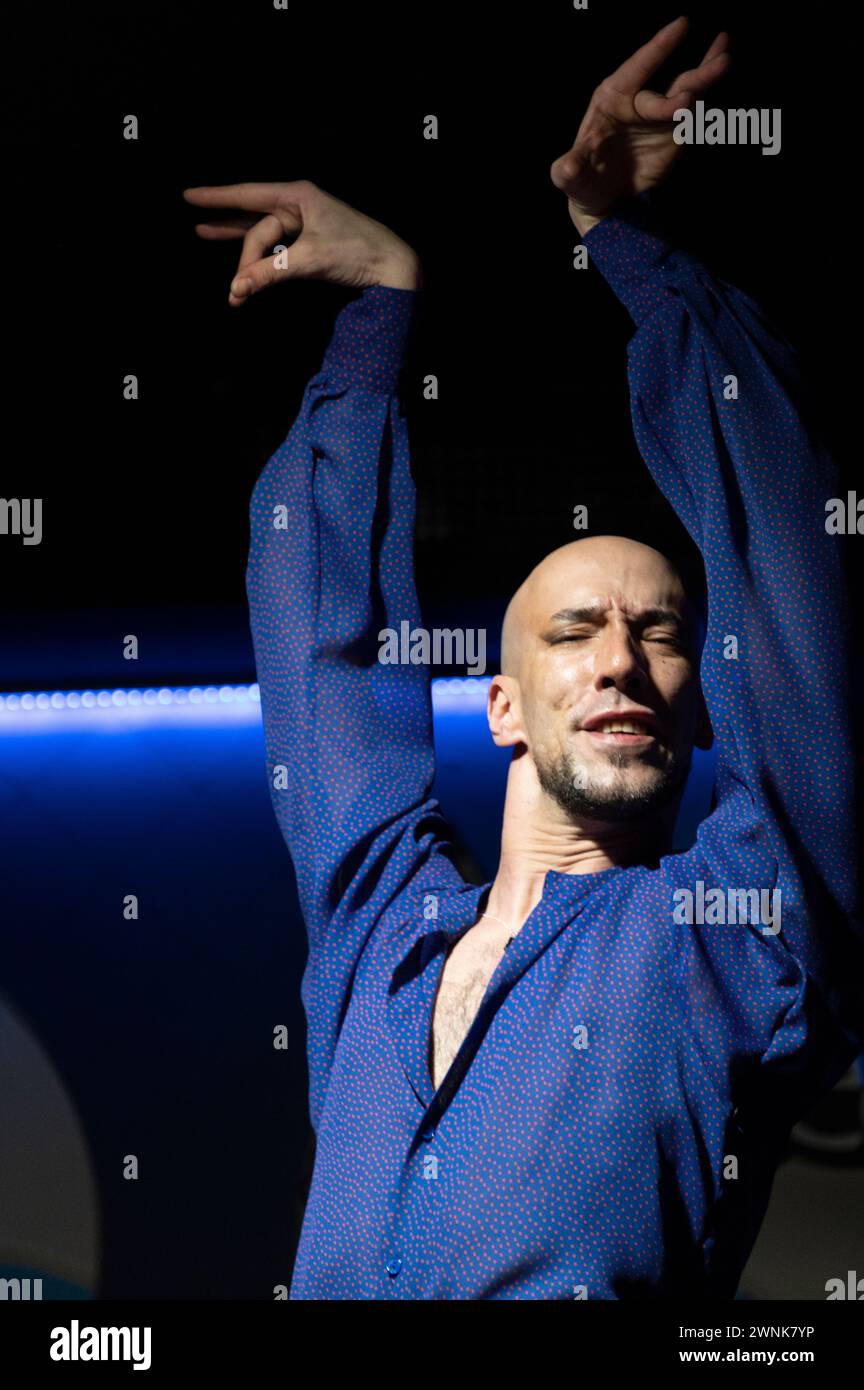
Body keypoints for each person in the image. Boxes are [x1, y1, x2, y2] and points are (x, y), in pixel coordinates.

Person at [185, 17, 863, 1299]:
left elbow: (797, 594)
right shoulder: (381, 934)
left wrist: (630, 250)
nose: (620, 657)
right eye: (574, 629)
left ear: (702, 707)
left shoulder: (727, 944)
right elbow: (321, 662)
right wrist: (380, 308)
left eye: (663, 633)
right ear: (499, 704)